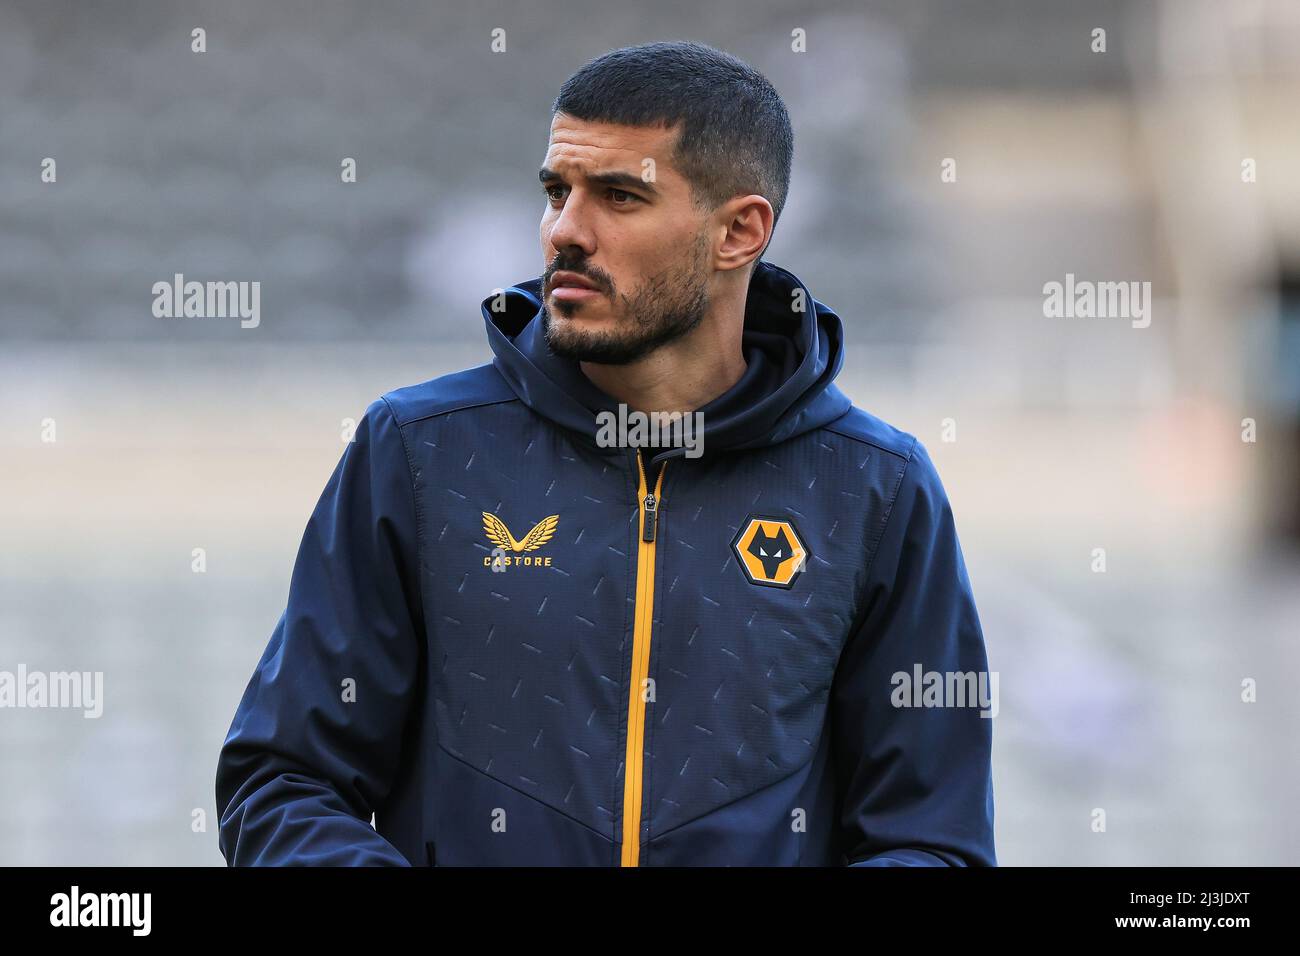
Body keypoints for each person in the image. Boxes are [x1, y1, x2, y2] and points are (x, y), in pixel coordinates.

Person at [216, 40, 996, 866]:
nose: (565, 232)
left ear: (739, 231)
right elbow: (282, 782)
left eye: (620, 197)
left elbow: (932, 842)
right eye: (558, 192)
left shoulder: (873, 486)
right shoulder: (420, 450)